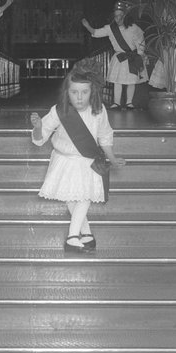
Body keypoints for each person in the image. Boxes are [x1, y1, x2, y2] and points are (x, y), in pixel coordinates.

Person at [30, 60, 126, 252]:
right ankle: (87, 234)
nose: (79, 97)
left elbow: (105, 136)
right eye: (74, 92)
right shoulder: (59, 111)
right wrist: (39, 127)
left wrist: (113, 159)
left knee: (83, 197)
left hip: (87, 160)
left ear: (93, 92)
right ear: (67, 92)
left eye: (84, 92)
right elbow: (40, 139)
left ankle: (73, 236)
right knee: (73, 198)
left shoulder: (99, 111)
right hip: (64, 160)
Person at [82, 1, 147, 110]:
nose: (118, 19)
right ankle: (116, 103)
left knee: (131, 81)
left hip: (132, 58)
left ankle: (129, 103)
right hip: (120, 58)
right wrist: (87, 26)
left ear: (125, 16)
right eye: (116, 16)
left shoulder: (134, 28)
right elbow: (96, 33)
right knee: (118, 81)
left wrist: (140, 54)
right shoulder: (110, 28)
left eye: (120, 16)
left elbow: (141, 42)